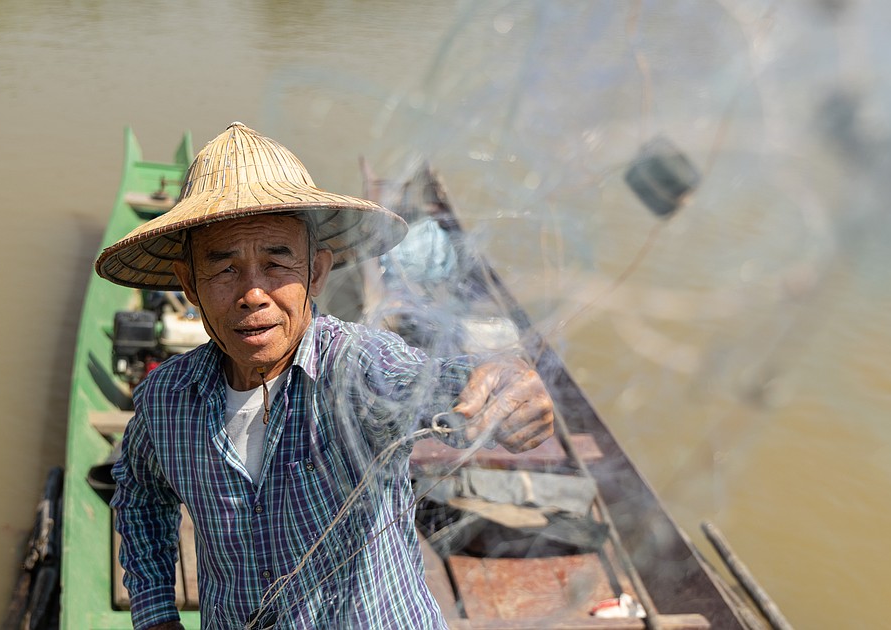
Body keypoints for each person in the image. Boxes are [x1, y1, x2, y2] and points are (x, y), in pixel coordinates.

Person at [95, 122, 555, 629]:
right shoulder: (166, 398)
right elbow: (140, 495)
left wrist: (503, 382)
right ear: (189, 285)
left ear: (315, 272)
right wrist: (156, 614)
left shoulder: (356, 367)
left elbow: (427, 381)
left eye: (277, 263)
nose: (253, 294)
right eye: (225, 269)